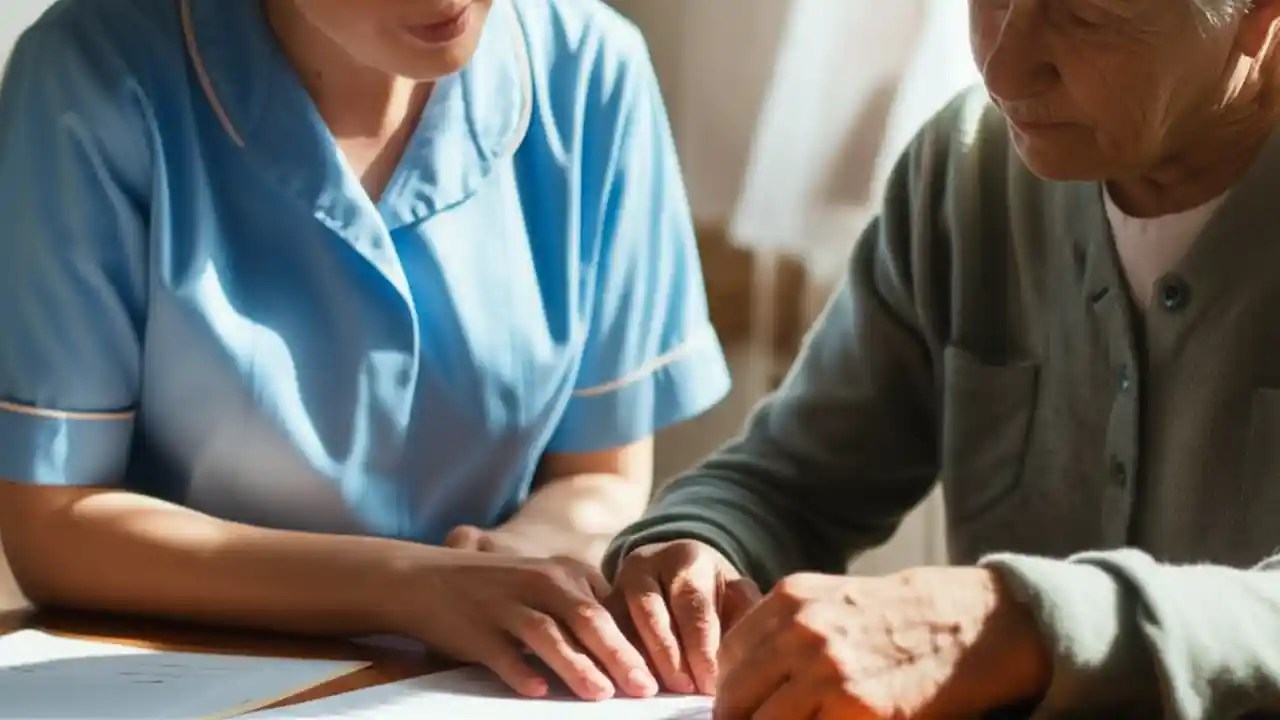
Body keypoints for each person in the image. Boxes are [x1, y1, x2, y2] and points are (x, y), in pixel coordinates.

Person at [0, 0, 730, 702]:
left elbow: (598, 475)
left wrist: (526, 557)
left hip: (484, 688)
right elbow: (54, 524)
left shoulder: (592, 67)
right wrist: (409, 585)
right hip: (172, 680)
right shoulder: (92, 75)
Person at [607, 0, 1280, 716]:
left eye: (1085, 14)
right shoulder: (966, 167)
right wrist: (701, 549)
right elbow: (792, 483)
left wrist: (1020, 624)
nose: (1002, 65)